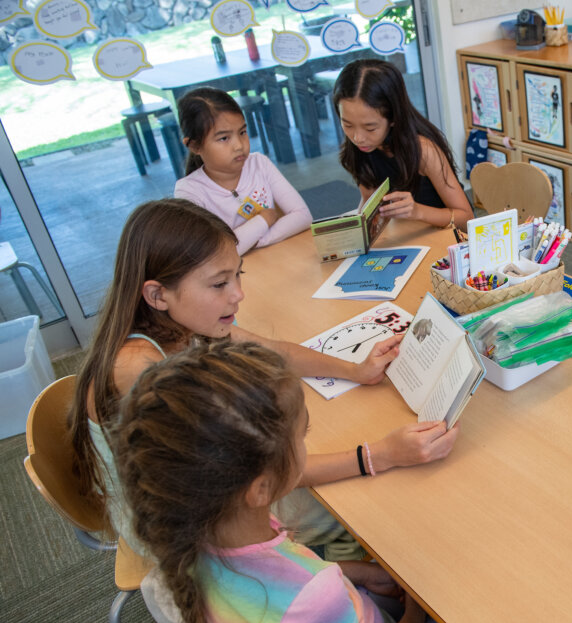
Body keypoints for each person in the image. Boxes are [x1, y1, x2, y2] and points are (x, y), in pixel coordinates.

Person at [69, 198, 458, 560]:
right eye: (219, 284)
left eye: (237, 275)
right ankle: (349, 577)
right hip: (182, 527)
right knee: (362, 516)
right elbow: (254, 474)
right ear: (157, 295)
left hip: (210, 485)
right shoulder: (140, 369)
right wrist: (378, 455)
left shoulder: (184, 324)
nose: (238, 294)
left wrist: (354, 370)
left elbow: (275, 352)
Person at [115, 340, 469, 623]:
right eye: (302, 436)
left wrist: (358, 573)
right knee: (477, 612)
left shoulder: (199, 537)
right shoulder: (311, 595)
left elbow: (291, 596)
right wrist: (417, 611)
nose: (304, 445)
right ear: (261, 489)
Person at [333, 59, 473, 231]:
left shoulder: (424, 151)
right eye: (347, 125)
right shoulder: (361, 148)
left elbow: (466, 218)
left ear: (393, 118)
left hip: (447, 236)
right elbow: (368, 200)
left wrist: (417, 211)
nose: (357, 138)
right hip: (406, 235)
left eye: (370, 128)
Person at [173, 87, 313, 255]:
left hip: (276, 258)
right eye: (224, 138)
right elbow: (210, 253)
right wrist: (264, 219)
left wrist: (254, 241)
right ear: (195, 146)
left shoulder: (259, 163)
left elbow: (303, 216)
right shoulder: (188, 191)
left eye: (242, 132)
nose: (239, 145)